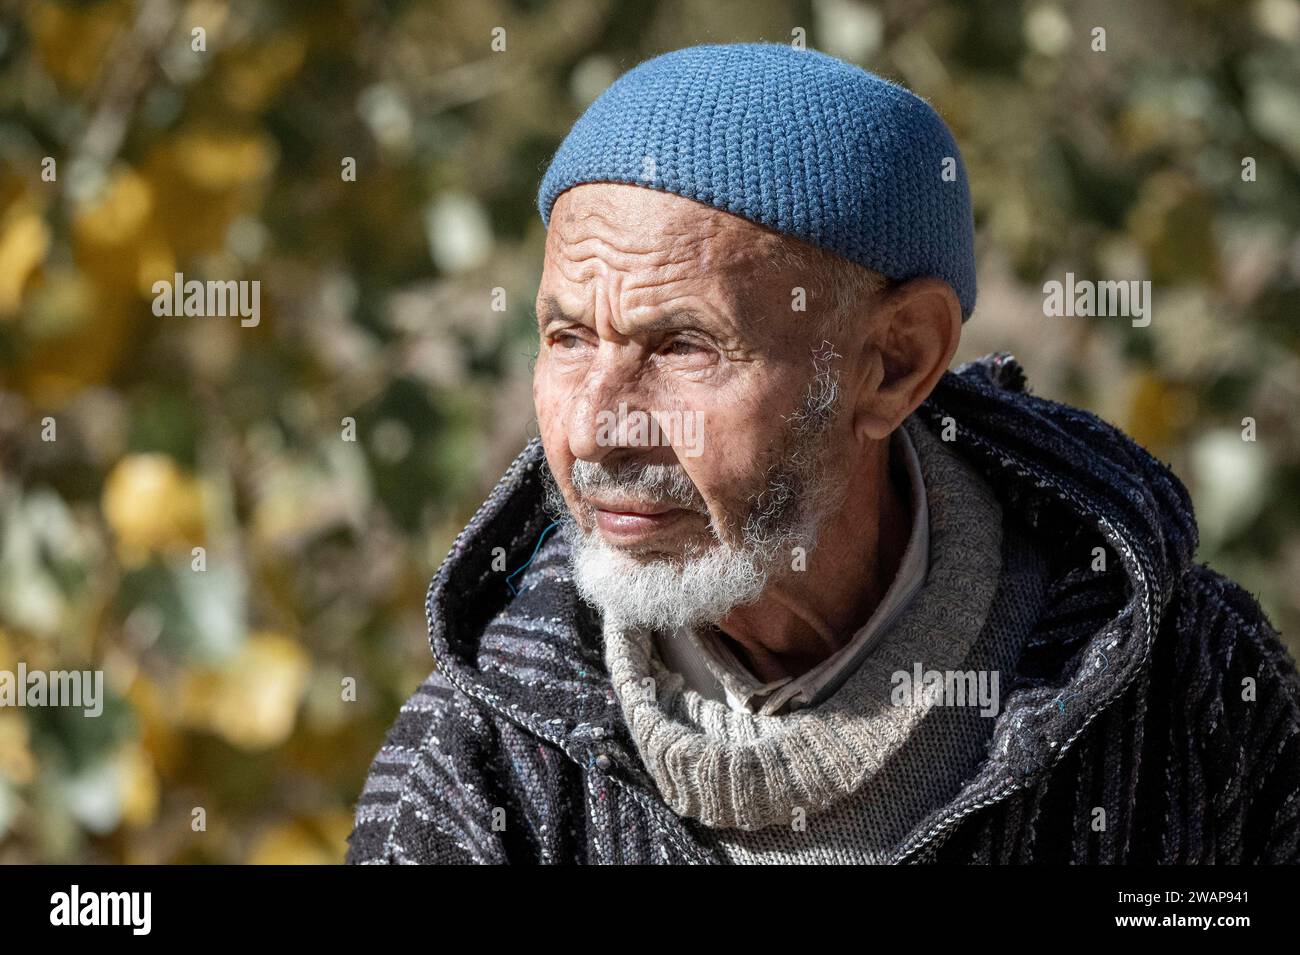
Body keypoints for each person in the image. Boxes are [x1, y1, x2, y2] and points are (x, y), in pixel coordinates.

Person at [347, 43, 1300, 864]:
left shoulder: (1187, 691)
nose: (595, 428)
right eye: (567, 339)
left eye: (682, 346)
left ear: (895, 362)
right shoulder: (477, 768)